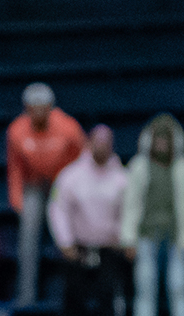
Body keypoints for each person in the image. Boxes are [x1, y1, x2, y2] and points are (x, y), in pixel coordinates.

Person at [120, 113, 184, 316]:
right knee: (145, 286)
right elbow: (130, 205)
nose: (161, 143)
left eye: (165, 138)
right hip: (146, 234)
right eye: (157, 138)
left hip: (178, 234)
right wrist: (128, 238)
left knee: (179, 286)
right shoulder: (138, 167)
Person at [6, 82, 85, 305]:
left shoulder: (68, 127)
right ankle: (26, 297)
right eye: (33, 107)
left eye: (43, 107)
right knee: (27, 237)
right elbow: (15, 168)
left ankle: (70, 297)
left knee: (68, 236)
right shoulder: (16, 131)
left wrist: (78, 194)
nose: (38, 112)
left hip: (63, 185)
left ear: (51, 106)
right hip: (33, 185)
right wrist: (16, 199)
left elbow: (83, 161)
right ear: (26, 107)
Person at [48, 125, 129, 316]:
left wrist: (126, 239)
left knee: (108, 302)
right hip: (77, 250)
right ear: (89, 143)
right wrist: (65, 242)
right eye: (98, 141)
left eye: (106, 142)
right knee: (75, 302)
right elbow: (58, 209)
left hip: (110, 250)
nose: (102, 146)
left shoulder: (122, 178)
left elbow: (130, 212)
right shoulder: (70, 175)